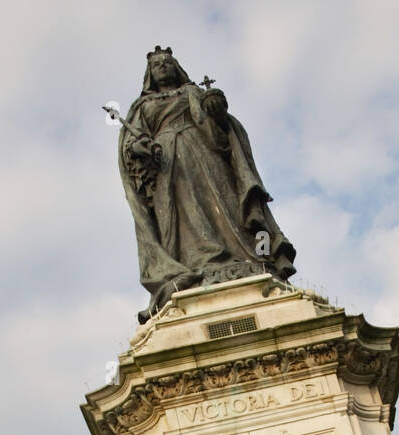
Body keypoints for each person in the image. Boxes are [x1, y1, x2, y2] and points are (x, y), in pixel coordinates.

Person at [118, 47, 296, 321]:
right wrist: (140, 146)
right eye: (157, 65)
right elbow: (131, 143)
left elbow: (223, 127)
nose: (163, 67)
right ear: (150, 75)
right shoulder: (142, 108)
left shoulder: (193, 93)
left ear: (176, 67)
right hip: (167, 166)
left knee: (221, 205)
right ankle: (188, 268)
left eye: (167, 62)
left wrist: (216, 110)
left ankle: (242, 257)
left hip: (204, 152)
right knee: (176, 219)